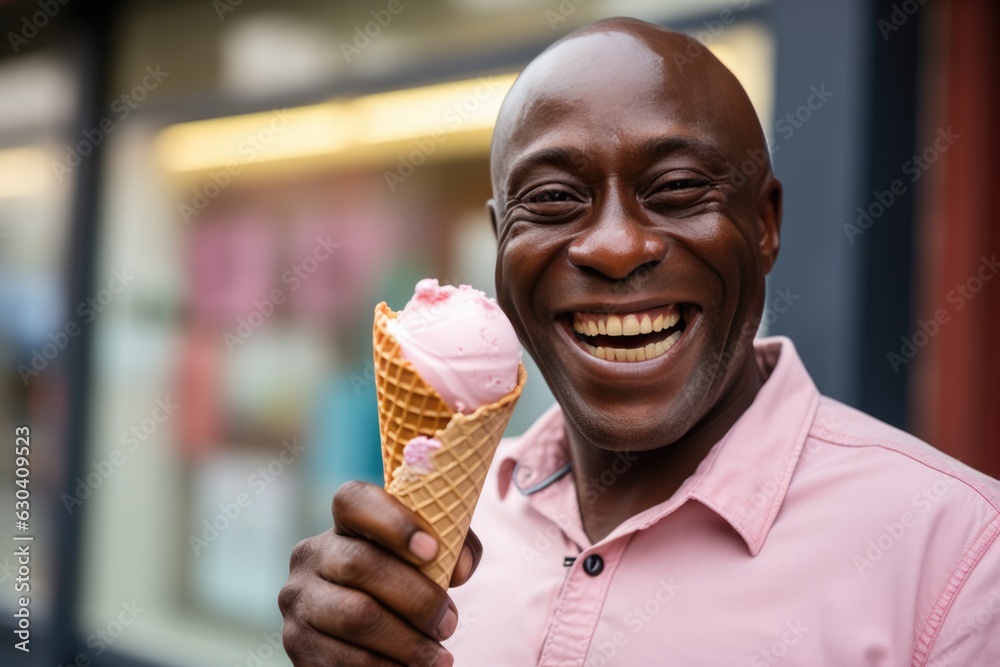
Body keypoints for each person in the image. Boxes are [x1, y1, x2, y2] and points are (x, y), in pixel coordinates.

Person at [278, 18, 1000, 666]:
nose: (616, 247)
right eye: (556, 198)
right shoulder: (433, 542)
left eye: (678, 186)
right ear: (500, 245)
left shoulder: (963, 561)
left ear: (765, 223)